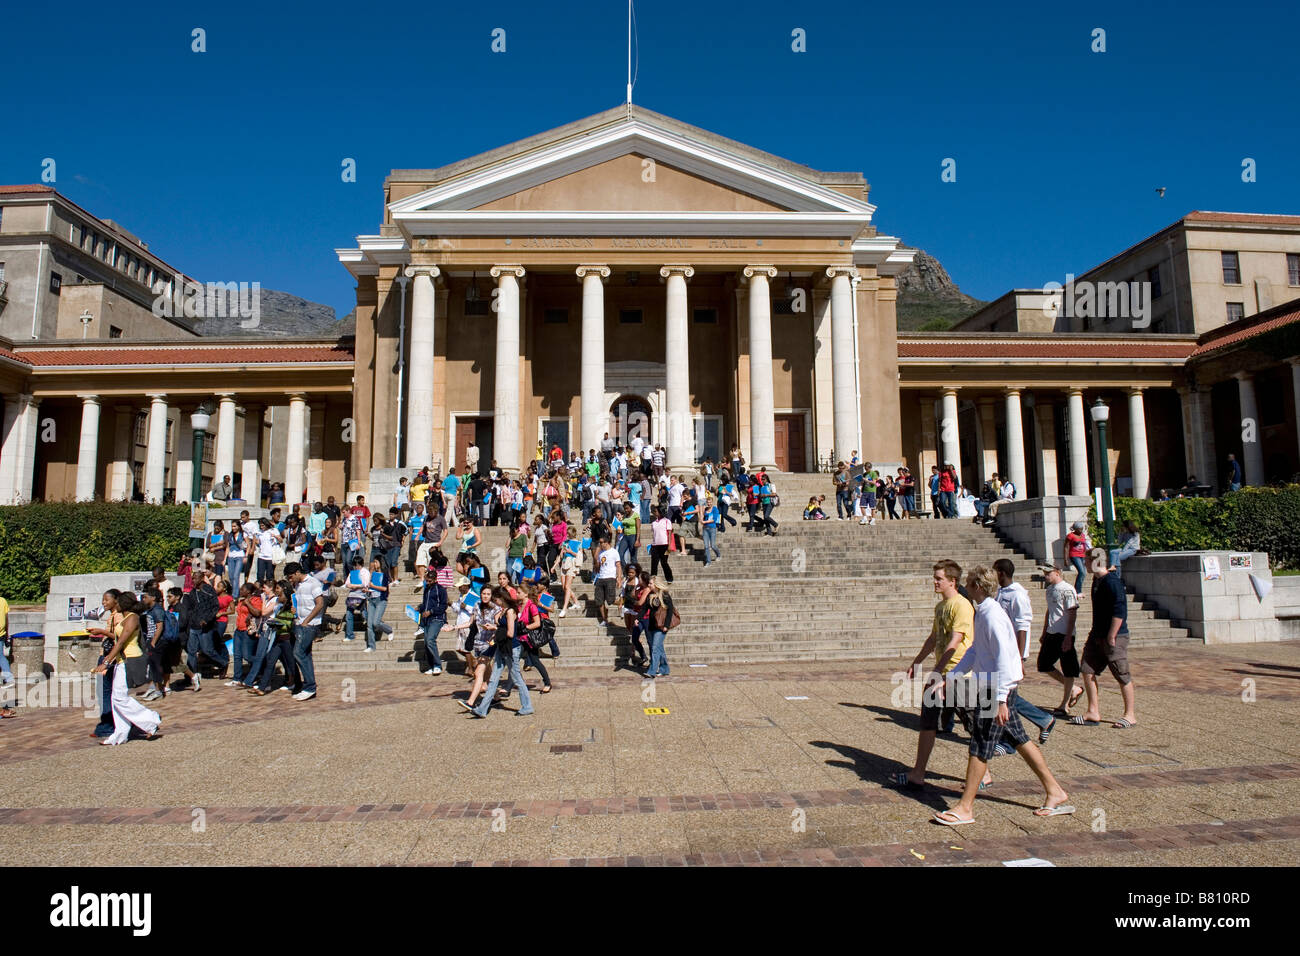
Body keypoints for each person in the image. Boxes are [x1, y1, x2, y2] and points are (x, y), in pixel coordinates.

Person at [932, 566, 1073, 826]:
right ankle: (1055, 791)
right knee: (1019, 739)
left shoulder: (992, 615)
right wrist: (950, 678)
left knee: (980, 745)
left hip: (995, 689)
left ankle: (965, 807)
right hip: (993, 687)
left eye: (969, 583)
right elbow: (975, 650)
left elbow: (1005, 658)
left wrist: (1000, 700)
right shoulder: (984, 611)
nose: (966, 586)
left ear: (977, 586)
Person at [894, 560, 974, 789]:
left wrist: (938, 671)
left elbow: (956, 640)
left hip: (960, 675)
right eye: (935, 577)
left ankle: (983, 775)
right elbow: (934, 638)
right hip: (941, 673)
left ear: (952, 581)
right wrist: (917, 662)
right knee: (928, 721)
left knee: (974, 727)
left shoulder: (962, 605)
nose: (935, 582)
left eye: (939, 578)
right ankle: (918, 772)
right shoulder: (941, 607)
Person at [1072, 548, 1137, 728]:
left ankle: (1130, 714)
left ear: (1095, 561)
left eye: (1086, 560)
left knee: (1121, 674)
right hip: (1097, 634)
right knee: (1087, 669)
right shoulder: (1097, 580)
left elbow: (1120, 611)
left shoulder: (1112, 582)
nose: (1084, 563)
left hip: (1114, 636)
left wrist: (1111, 635)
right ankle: (1093, 711)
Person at [92, 592, 162, 745]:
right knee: (116, 698)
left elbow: (121, 642)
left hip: (130, 660)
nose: (114, 605)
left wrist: (106, 661)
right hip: (121, 661)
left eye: (117, 602)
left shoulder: (132, 618)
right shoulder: (125, 617)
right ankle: (120, 734)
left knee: (119, 698)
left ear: (123, 604)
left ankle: (151, 719)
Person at [465, 589, 534, 718]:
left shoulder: (510, 611)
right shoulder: (502, 611)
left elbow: (510, 633)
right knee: (493, 679)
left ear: (501, 598)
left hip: (511, 648)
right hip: (501, 647)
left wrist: (494, 628)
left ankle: (527, 706)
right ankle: (482, 709)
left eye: (495, 599)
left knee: (516, 678)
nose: (494, 602)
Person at [1036, 563, 1083, 715]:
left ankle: (1064, 704)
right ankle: (1074, 689)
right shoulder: (1049, 590)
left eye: (1048, 573)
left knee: (1068, 667)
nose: (1046, 576)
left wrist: (1068, 636)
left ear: (1057, 573)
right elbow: (1050, 611)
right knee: (1044, 664)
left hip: (1064, 633)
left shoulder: (1067, 589)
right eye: (1045, 573)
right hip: (1052, 632)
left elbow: (1072, 613)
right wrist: (1044, 632)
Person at [286, 562, 324, 701]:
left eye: (291, 577)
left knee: (299, 652)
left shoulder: (313, 583)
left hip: (310, 624)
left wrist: (307, 620)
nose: (290, 580)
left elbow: (320, 603)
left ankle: (309, 686)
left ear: (297, 573)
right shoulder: (297, 586)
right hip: (300, 622)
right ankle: (309, 686)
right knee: (305, 654)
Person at [641, 577, 675, 679]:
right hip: (652, 625)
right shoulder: (650, 596)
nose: (649, 585)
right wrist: (638, 618)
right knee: (659, 648)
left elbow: (670, 611)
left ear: (656, 584)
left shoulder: (664, 595)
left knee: (655, 647)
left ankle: (652, 671)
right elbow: (644, 609)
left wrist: (666, 625)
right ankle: (665, 668)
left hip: (662, 626)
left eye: (651, 584)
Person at [417, 564, 448, 674]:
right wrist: (419, 608)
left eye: (430, 581)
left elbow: (443, 606)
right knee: (426, 643)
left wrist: (431, 612)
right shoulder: (426, 589)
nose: (428, 583)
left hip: (437, 618)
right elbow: (426, 604)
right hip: (426, 619)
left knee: (430, 639)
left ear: (435, 580)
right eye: (427, 581)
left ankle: (437, 665)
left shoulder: (441, 590)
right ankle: (431, 665)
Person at [593, 536, 622, 627]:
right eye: (599, 543)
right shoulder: (601, 553)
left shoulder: (614, 552)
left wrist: (619, 578)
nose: (600, 544)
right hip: (600, 577)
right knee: (599, 600)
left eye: (601, 542)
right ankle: (605, 619)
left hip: (610, 577)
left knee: (610, 600)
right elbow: (597, 567)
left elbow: (618, 565)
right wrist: (596, 556)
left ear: (607, 542)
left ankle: (623, 602)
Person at [342, 556, 369, 644]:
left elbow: (365, 583)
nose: (356, 567)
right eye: (355, 565)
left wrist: (356, 586)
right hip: (352, 595)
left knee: (365, 614)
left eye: (358, 565)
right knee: (349, 615)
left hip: (361, 595)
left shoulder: (365, 572)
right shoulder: (352, 572)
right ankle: (349, 635)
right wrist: (352, 586)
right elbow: (347, 583)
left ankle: (372, 628)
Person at [649, 506, 673, 583]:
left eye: (656, 511)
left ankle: (669, 578)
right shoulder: (653, 523)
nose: (655, 513)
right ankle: (653, 578)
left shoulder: (667, 521)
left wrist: (669, 545)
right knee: (654, 563)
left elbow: (669, 533)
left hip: (664, 545)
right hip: (655, 545)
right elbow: (654, 534)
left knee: (664, 562)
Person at [1065, 520, 1090, 596]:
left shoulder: (1082, 535)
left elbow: (1084, 545)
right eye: (1079, 529)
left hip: (1082, 555)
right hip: (1074, 555)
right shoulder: (1070, 536)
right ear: (1075, 529)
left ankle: (1078, 588)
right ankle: (1077, 590)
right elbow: (1066, 547)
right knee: (1081, 571)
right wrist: (1065, 559)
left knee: (1084, 573)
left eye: (1082, 529)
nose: (1081, 530)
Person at [701, 493, 721, 564]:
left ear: (712, 502)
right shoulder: (705, 509)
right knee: (706, 546)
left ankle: (718, 555)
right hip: (705, 529)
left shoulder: (715, 509)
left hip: (712, 528)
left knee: (713, 545)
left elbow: (714, 519)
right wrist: (702, 511)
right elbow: (702, 518)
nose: (709, 504)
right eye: (707, 502)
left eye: (710, 502)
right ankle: (708, 562)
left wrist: (705, 521)